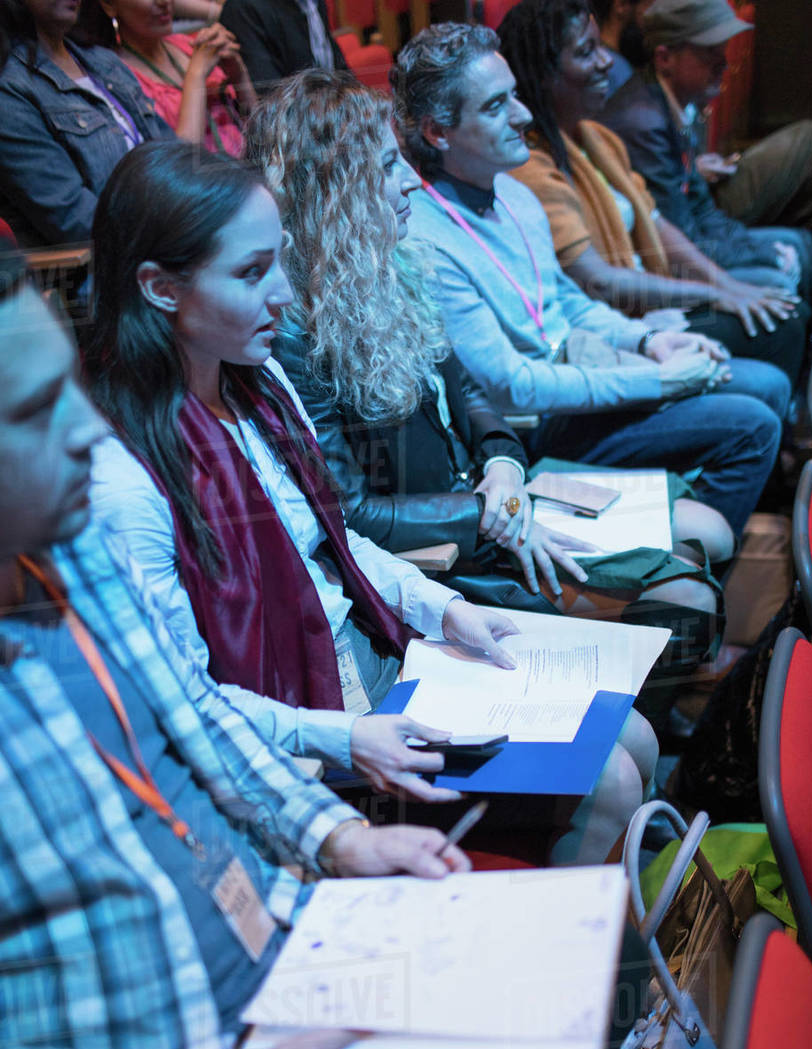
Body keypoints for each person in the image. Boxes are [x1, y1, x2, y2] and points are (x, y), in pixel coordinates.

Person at [0, 245, 651, 1049]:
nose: (85, 439)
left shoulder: (69, 551)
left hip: (287, 943)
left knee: (598, 972)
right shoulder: (116, 504)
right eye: (30, 412)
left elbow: (199, 720)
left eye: (68, 394)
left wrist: (338, 839)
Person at [85, 140, 656, 863]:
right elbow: (181, 701)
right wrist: (347, 737)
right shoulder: (124, 476)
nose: (284, 294)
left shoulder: (255, 384)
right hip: (310, 730)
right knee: (612, 778)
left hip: (367, 656)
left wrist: (440, 608)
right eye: (252, 273)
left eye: (281, 261)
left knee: (631, 731)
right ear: (161, 289)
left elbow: (332, 541)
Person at [248, 69, 730, 703]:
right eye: (389, 166)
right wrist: (490, 515)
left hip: (491, 499)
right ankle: (637, 725)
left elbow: (474, 397)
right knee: (687, 593)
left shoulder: (398, 263)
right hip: (444, 547)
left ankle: (639, 707)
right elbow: (350, 515)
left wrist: (503, 468)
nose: (413, 182)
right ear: (336, 190)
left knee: (709, 534)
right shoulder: (290, 331)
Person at [392, 22, 790, 541]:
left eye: (514, 95)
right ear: (437, 132)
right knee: (752, 424)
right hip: (531, 432)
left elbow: (568, 303)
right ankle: (684, 573)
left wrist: (648, 340)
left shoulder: (513, 195)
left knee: (768, 383)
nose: (524, 114)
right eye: (496, 107)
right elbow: (511, 385)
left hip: (582, 375)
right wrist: (659, 380)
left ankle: (690, 544)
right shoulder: (426, 238)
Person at [497, 0, 809, 387]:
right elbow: (599, 281)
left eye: (599, 46)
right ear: (542, 74)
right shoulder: (532, 166)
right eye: (585, 52)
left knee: (778, 292)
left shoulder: (596, 139)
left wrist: (728, 287)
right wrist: (710, 293)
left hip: (647, 300)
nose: (606, 62)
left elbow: (662, 225)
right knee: (784, 321)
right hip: (616, 328)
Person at [601, 0, 812, 316]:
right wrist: (761, 254)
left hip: (693, 245)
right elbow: (681, 242)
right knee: (780, 276)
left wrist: (756, 248)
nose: (723, 64)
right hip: (661, 276)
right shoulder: (644, 122)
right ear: (665, 58)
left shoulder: (672, 104)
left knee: (801, 243)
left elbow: (702, 208)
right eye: (710, 55)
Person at [0, 0, 173, 246]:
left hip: (169, 235)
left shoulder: (103, 60)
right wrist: (175, 231)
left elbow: (176, 157)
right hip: (104, 267)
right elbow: (76, 219)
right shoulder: (10, 88)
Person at [79, 0, 256, 154]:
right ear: (109, 5)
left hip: (250, 172)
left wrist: (240, 76)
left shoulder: (191, 44)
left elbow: (262, 130)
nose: (164, 2)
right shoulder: (114, 76)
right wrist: (196, 76)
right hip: (205, 188)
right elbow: (183, 165)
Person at [219, 0, 346, 95]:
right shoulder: (244, 10)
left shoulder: (311, 3)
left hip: (331, 114)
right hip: (297, 123)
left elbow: (340, 72)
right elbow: (271, 102)